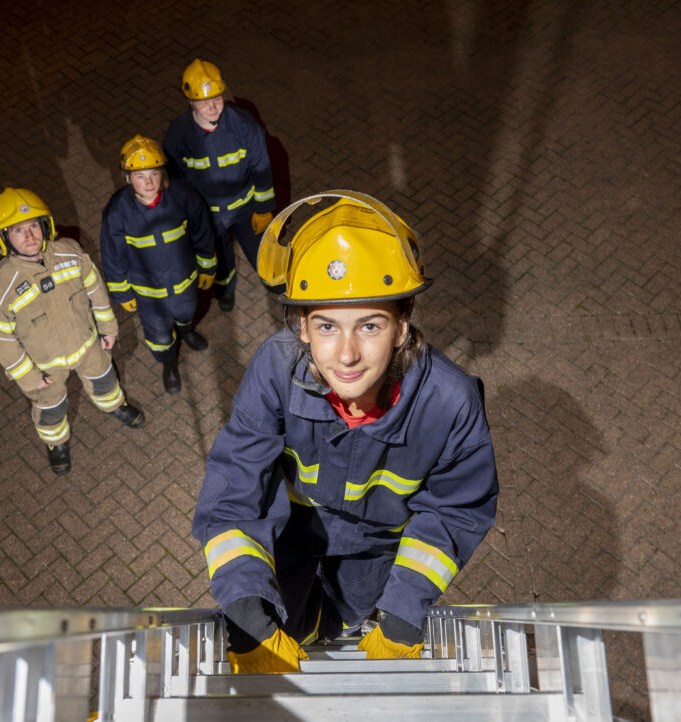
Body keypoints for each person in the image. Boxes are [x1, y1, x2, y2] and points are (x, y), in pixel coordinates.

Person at [192, 191, 499, 673]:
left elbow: (455, 510)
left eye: (370, 326)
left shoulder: (450, 403)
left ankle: (339, 627)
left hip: (372, 554)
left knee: (348, 613)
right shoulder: (274, 370)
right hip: (288, 540)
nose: (347, 354)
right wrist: (247, 609)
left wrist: (401, 615)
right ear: (302, 328)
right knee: (286, 617)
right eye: (328, 327)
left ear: (402, 327)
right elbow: (235, 487)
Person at [0, 187, 145, 476]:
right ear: (3, 238)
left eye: (34, 226)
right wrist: (28, 377)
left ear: (46, 225)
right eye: (18, 231)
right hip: (45, 369)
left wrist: (107, 327)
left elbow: (95, 289)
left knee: (105, 379)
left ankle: (115, 406)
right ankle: (57, 443)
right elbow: (1, 340)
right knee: (51, 409)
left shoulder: (70, 253)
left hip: (87, 345)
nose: (30, 236)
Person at [99, 135, 217, 395]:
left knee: (186, 313)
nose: (149, 182)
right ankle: (169, 363)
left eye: (153, 173)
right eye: (140, 176)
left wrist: (208, 266)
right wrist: (122, 292)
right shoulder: (117, 211)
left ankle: (186, 332)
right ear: (128, 178)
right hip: (149, 294)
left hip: (184, 281)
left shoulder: (182, 195)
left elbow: (202, 232)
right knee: (160, 336)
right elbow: (112, 255)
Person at [163, 59, 275, 312]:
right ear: (190, 101)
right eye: (203, 102)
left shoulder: (244, 125)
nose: (212, 107)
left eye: (217, 98)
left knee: (262, 252)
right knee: (219, 255)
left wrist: (264, 207)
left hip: (246, 208)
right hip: (208, 214)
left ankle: (278, 287)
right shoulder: (178, 134)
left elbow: (262, 168)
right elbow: (175, 179)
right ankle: (225, 289)